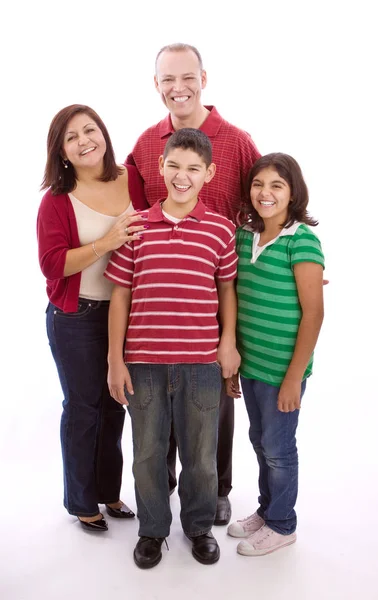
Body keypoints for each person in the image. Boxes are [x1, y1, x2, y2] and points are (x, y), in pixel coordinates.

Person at [125, 42, 261, 525]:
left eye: (187, 78)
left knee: (214, 396)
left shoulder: (236, 140)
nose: (178, 88)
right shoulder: (144, 144)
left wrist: (293, 258)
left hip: (220, 285)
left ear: (204, 77)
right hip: (159, 300)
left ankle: (215, 487)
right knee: (154, 408)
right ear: (156, 84)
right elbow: (132, 214)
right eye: (167, 80)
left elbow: (269, 198)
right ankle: (158, 486)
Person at [105, 128, 240, 568]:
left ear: (209, 174)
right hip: (143, 364)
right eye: (175, 166)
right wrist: (114, 360)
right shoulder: (137, 227)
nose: (183, 176)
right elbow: (121, 295)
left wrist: (227, 345)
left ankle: (198, 527)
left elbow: (227, 293)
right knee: (147, 452)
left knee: (201, 455)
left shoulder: (220, 231)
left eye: (193, 169)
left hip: (201, 363)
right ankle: (152, 529)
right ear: (161, 167)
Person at [37, 104, 148, 532]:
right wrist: (107, 242)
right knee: (84, 408)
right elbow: (52, 265)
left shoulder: (132, 178)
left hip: (128, 311)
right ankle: (82, 501)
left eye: (90, 130)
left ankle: (109, 491)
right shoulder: (57, 200)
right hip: (77, 316)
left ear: (103, 133)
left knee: (116, 404)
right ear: (62, 152)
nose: (84, 141)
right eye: (71, 137)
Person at [225, 153, 325, 556]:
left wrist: (292, 377)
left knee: (280, 450)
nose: (265, 193)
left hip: (284, 371)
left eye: (276, 186)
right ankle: (268, 511)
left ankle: (283, 525)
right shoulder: (244, 236)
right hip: (252, 367)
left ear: (293, 192)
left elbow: (314, 313)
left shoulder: (302, 240)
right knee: (259, 440)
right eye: (258, 184)